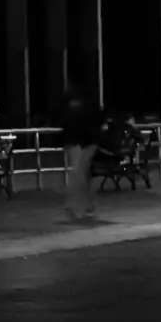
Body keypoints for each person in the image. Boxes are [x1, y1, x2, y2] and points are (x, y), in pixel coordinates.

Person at [59, 85, 102, 223]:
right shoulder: (86, 109)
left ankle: (77, 206)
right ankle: (84, 206)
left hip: (77, 143)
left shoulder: (69, 111)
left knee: (78, 175)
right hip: (85, 143)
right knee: (80, 175)